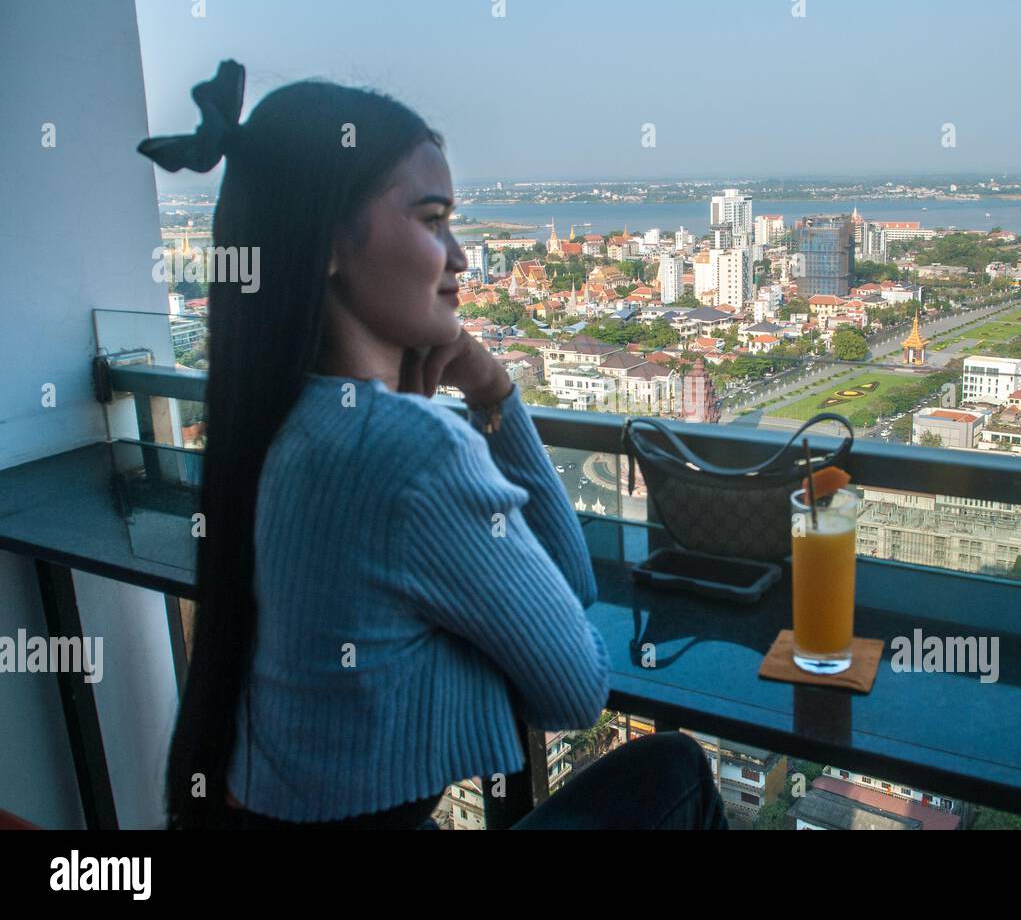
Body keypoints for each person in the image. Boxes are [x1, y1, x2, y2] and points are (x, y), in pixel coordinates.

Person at [141, 60, 727, 830]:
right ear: (328, 243)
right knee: (675, 769)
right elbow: (580, 684)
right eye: (432, 218)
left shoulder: (281, 416)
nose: (458, 257)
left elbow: (566, 584)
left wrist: (486, 389)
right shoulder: (403, 447)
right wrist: (493, 397)